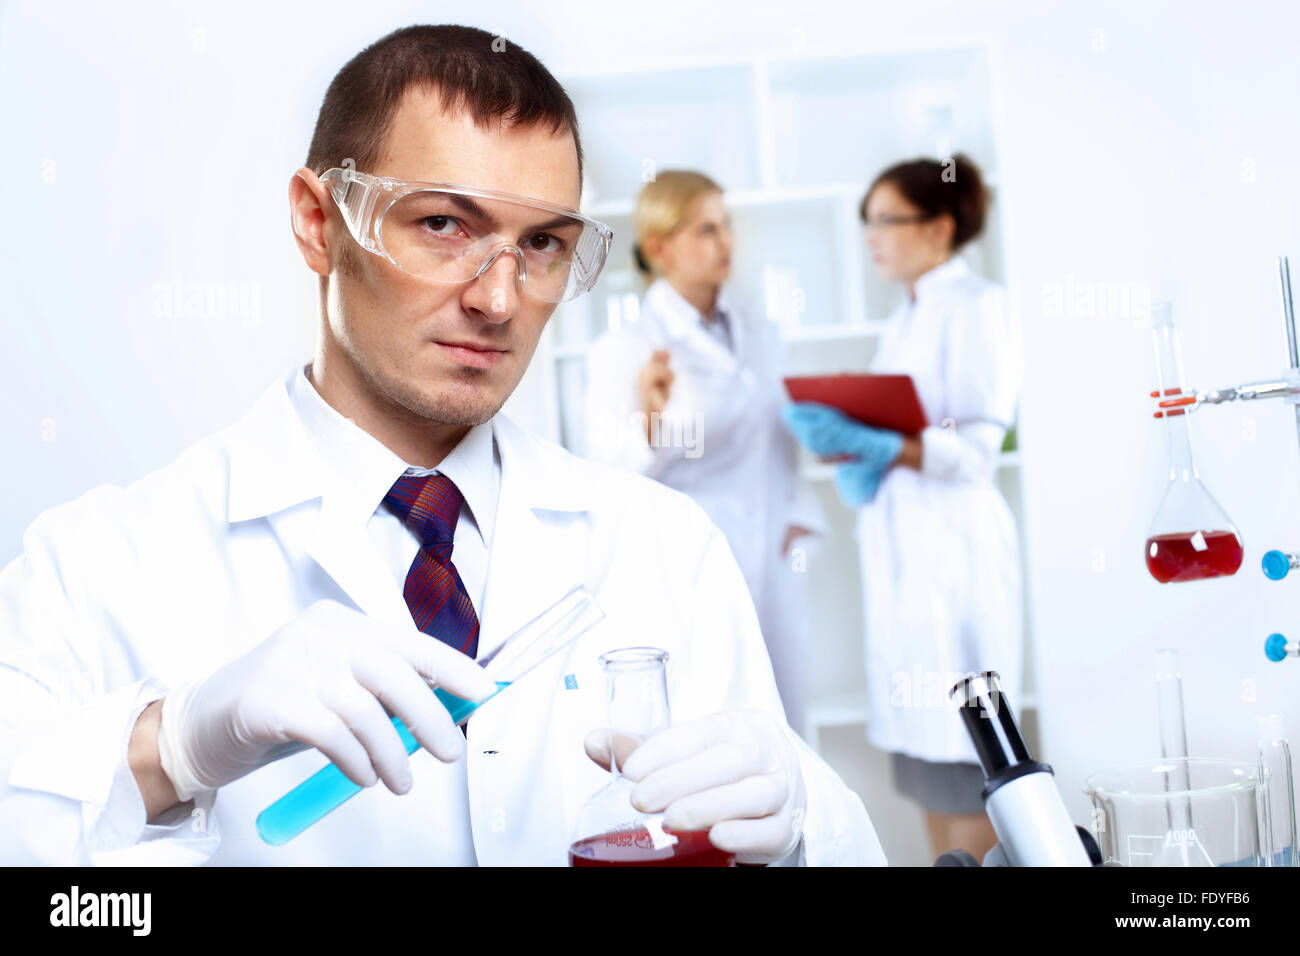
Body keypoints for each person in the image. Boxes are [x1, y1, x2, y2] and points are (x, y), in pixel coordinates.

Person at [0, 25, 884, 867]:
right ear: (318, 220)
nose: (499, 300)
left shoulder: (662, 547)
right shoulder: (100, 566)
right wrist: (173, 750)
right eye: (443, 225)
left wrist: (803, 822)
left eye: (541, 243)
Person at [782, 154, 1022, 863]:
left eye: (887, 220)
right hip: (906, 553)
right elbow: (909, 428)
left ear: (941, 225)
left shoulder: (980, 306)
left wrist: (886, 442)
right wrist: (858, 444)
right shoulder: (907, 316)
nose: (872, 237)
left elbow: (976, 447)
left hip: (956, 557)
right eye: (867, 223)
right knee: (924, 761)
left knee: (968, 760)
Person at [584, 171, 825, 735]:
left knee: (785, 728)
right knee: (715, 725)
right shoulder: (627, 347)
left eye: (727, 225)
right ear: (658, 247)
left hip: (772, 553)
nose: (726, 242)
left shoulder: (759, 330)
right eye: (705, 229)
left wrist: (795, 517)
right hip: (685, 564)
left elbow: (776, 438)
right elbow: (607, 475)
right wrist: (651, 418)